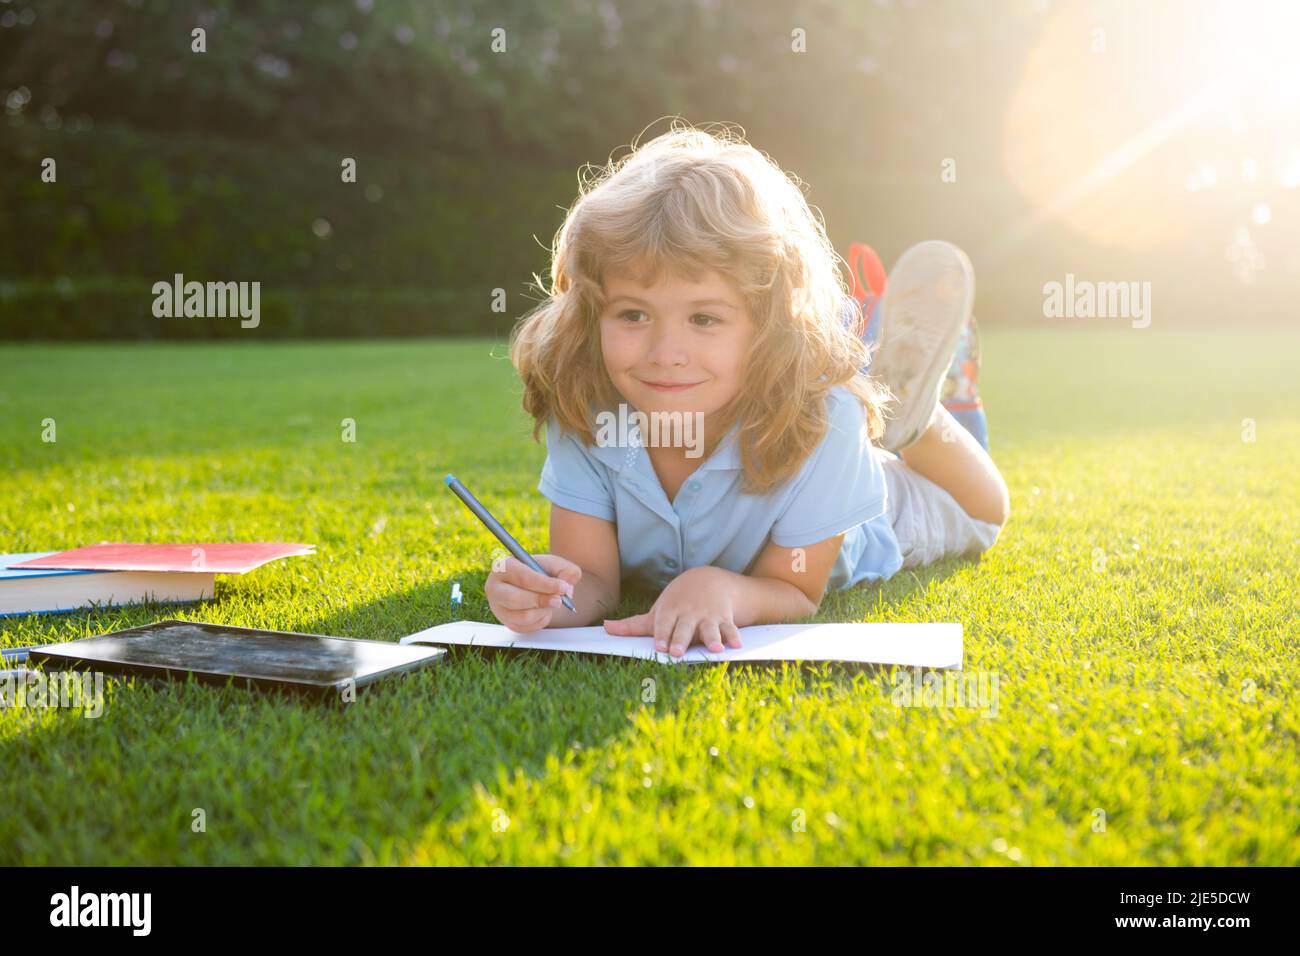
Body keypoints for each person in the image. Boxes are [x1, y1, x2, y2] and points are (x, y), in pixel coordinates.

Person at [489, 122, 1010, 657]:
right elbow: (594, 579)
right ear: (592, 313)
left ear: (769, 323)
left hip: (869, 515)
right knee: (863, 417)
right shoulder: (586, 406)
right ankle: (886, 388)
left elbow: (797, 588)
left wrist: (725, 588)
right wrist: (546, 598)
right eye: (634, 314)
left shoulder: (826, 420)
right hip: (833, 452)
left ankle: (911, 412)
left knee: (983, 511)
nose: (665, 351)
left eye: (705, 319)